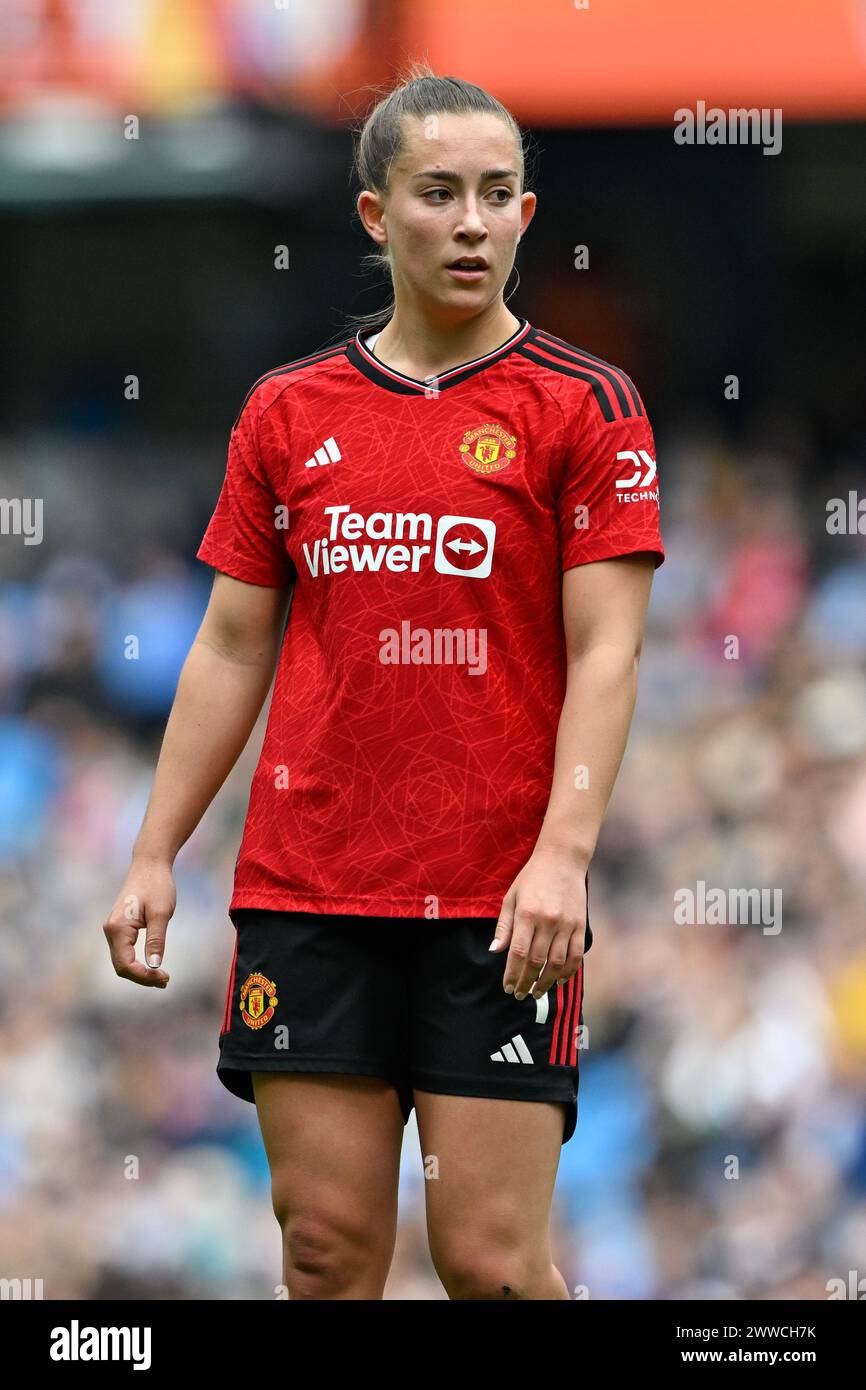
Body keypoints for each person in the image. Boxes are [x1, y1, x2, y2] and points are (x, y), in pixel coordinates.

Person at [103, 62, 665, 1300]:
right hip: (310, 888)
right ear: (375, 214)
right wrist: (155, 851)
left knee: (491, 1265)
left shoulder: (583, 407)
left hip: (498, 903)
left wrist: (562, 855)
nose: (471, 221)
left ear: (526, 214)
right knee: (322, 1250)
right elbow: (233, 643)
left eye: (497, 195)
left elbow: (608, 650)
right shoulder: (286, 412)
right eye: (438, 192)